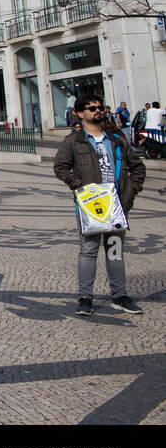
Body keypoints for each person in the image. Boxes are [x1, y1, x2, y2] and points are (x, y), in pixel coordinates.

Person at [53, 93, 146, 316]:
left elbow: (138, 167)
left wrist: (131, 190)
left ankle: (119, 296)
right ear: (79, 113)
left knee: (115, 251)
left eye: (99, 107)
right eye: (91, 108)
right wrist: (80, 188)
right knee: (88, 250)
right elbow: (61, 167)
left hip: (117, 204)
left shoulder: (116, 140)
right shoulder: (73, 142)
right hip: (90, 205)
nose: (97, 111)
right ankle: (85, 297)